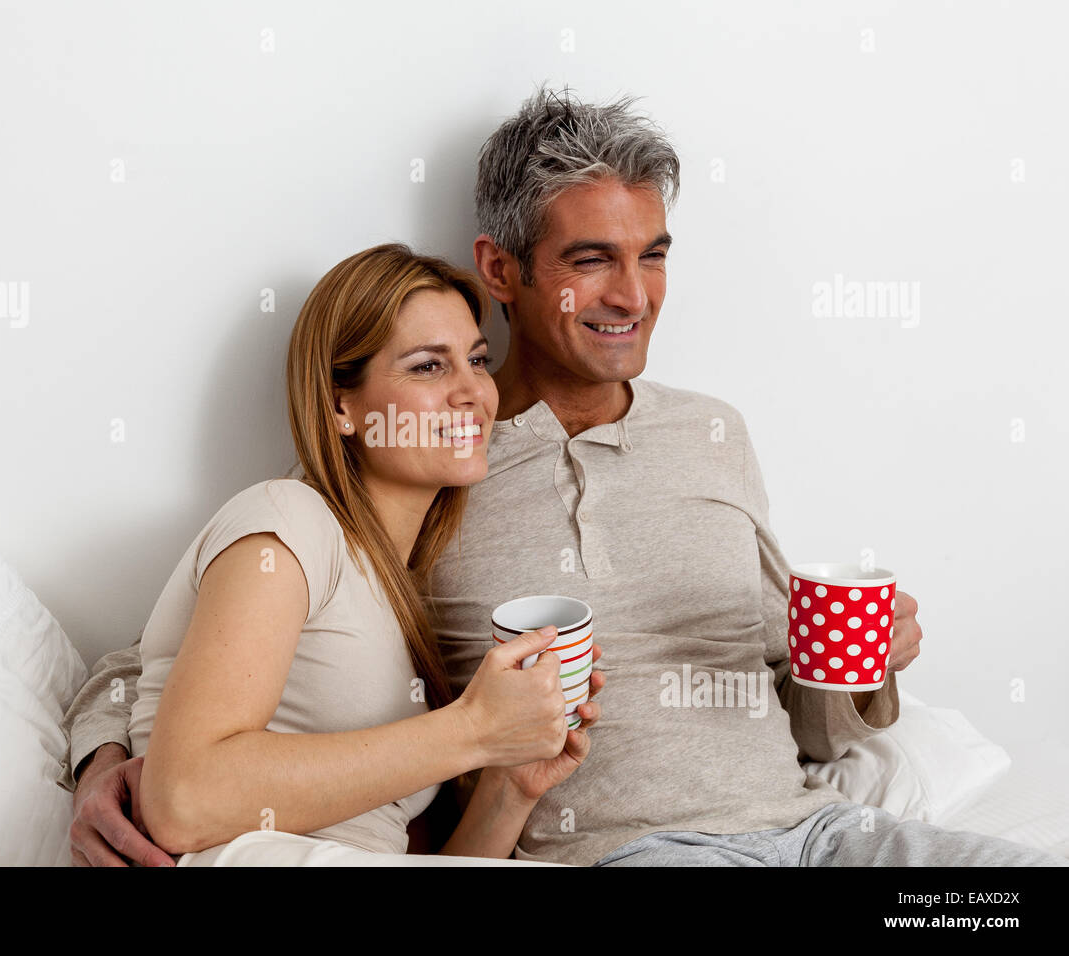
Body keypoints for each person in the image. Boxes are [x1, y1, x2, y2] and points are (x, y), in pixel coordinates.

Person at [62, 86, 1065, 867]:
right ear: (501, 270)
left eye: (654, 255)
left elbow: (808, 700)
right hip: (626, 850)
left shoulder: (713, 433)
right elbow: (194, 629)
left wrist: (869, 667)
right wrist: (106, 759)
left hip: (825, 834)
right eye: (591, 259)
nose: (632, 296)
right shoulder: (431, 453)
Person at [67, 242, 605, 865]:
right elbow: (182, 800)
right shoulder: (286, 521)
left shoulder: (396, 593)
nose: (473, 393)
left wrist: (508, 783)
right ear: (339, 405)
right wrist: (472, 730)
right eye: (429, 367)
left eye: (477, 360)